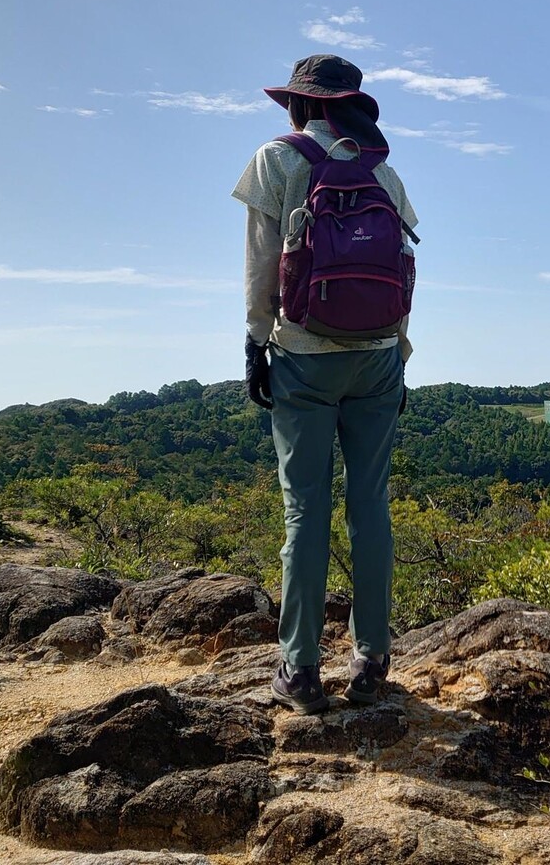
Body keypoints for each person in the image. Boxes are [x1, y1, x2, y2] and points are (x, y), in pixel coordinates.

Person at [231, 54, 418, 715]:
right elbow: (401, 267)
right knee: (371, 508)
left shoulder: (277, 160)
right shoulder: (383, 172)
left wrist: (256, 342)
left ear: (299, 104)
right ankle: (372, 659)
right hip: (378, 357)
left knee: (305, 509)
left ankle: (301, 671)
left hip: (306, 355)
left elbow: (261, 264)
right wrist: (398, 351)